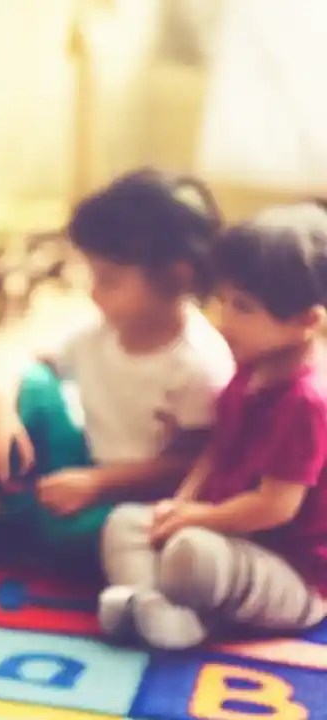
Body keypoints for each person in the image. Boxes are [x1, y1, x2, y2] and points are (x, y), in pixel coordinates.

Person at [0, 169, 235, 578]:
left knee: (80, 536)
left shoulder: (198, 362)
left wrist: (98, 483)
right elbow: (28, 369)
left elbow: (192, 462)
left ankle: (9, 522)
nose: (94, 291)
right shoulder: (100, 332)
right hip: (82, 460)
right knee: (31, 393)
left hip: (128, 493)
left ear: (178, 275)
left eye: (110, 280)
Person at [101, 204, 327, 649]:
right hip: (220, 529)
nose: (224, 320)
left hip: (291, 570)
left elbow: (274, 507)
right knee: (127, 523)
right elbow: (218, 449)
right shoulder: (250, 369)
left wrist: (198, 520)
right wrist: (180, 503)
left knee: (192, 552)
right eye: (222, 300)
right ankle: (155, 608)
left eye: (242, 308)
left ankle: (169, 616)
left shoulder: (307, 402)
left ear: (307, 321)